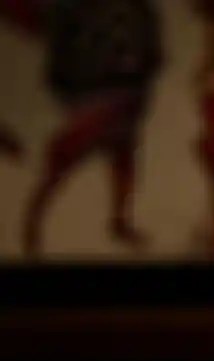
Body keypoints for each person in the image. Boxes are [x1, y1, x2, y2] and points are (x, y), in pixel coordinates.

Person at [18, 0, 162, 258]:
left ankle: (118, 222)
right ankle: (33, 226)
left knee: (122, 158)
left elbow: (149, 43)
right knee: (68, 157)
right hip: (100, 92)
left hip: (122, 92)